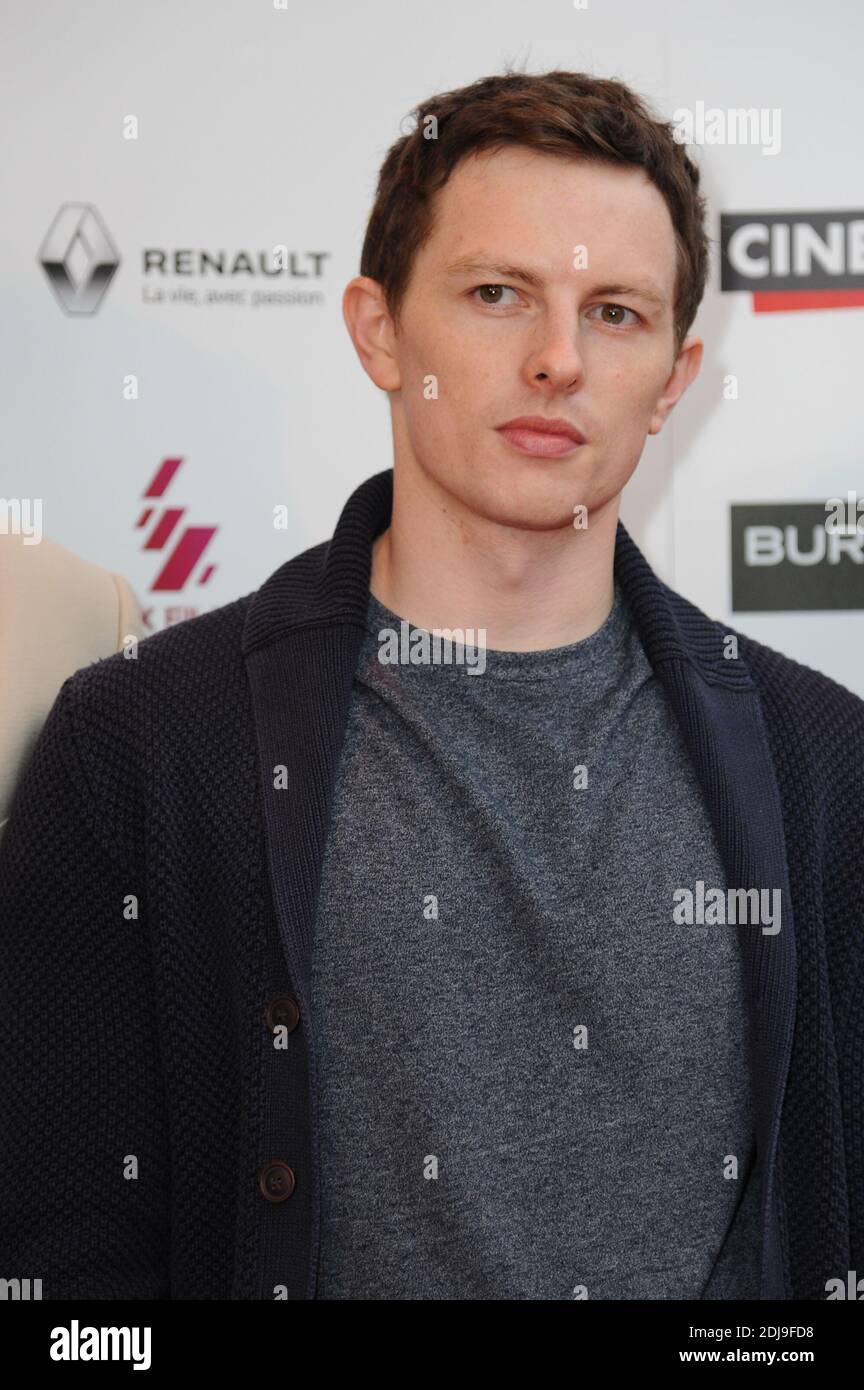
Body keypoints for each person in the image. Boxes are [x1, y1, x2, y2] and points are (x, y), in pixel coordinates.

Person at [1, 68, 861, 1302]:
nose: (558, 359)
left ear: (674, 380)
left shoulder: (823, 764)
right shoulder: (144, 744)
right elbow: (65, 1277)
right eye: (499, 293)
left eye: (615, 312)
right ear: (379, 330)